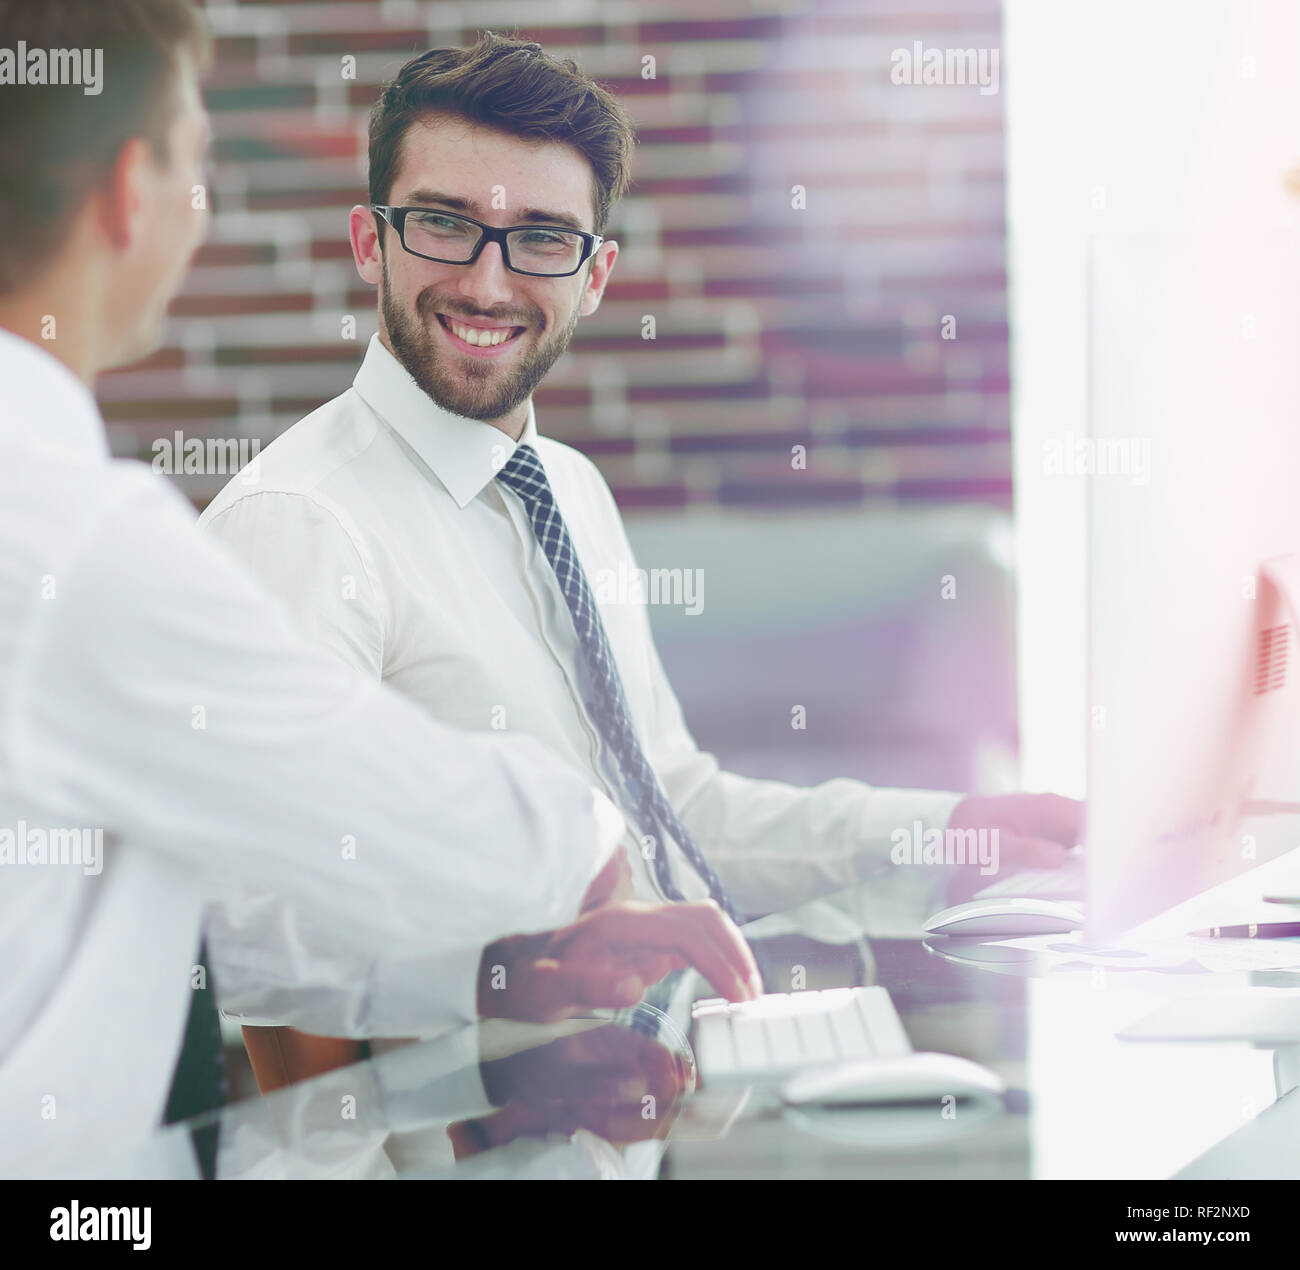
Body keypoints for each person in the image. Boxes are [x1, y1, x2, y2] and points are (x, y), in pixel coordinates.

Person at [200, 33, 1083, 1071]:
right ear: (369, 241)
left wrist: (950, 838)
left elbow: (677, 813)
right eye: (444, 225)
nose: (486, 282)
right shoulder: (300, 524)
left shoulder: (568, 489)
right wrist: (520, 977)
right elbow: (256, 936)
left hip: (650, 1102)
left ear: (597, 274)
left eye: (539, 238)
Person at [0, 0, 759, 1178]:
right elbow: (360, 796)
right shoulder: (78, 540)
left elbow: (224, 909)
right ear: (129, 192)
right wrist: (583, 853)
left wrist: (499, 974)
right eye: (198, 159)